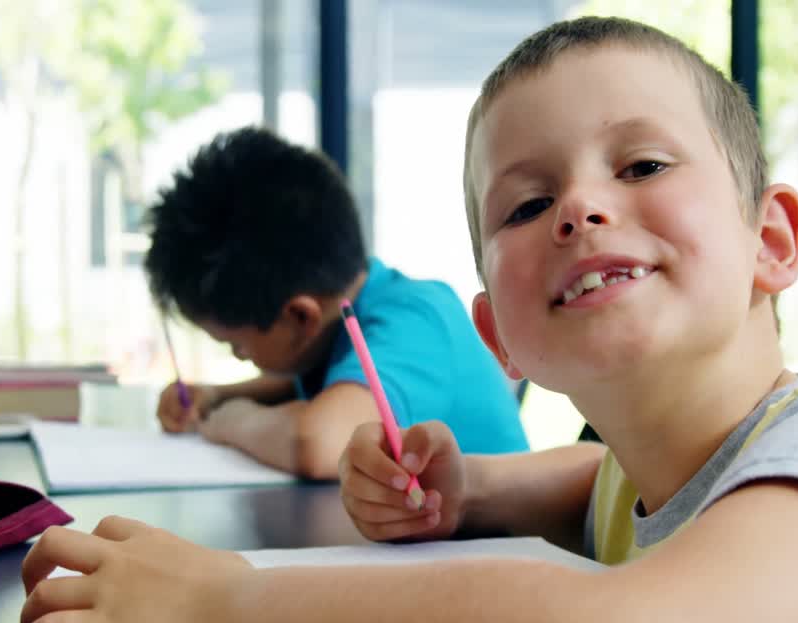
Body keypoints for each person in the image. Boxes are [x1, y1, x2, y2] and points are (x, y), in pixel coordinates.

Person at [17, 17, 798, 623]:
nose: (580, 209)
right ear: (501, 338)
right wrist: (465, 492)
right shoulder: (640, 475)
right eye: (524, 207)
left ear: (770, 240)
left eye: (641, 165)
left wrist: (220, 610)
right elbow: (598, 482)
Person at [143, 126, 528, 479]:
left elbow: (317, 443)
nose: (240, 357)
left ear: (300, 316)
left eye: (237, 345)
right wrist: (216, 395)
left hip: (505, 544)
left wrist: (229, 419)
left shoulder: (415, 320)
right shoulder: (351, 308)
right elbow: (302, 380)